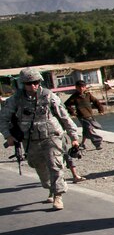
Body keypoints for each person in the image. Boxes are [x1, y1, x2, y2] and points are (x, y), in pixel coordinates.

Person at [1, 68, 81, 210]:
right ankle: (50, 187)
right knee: (37, 165)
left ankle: (58, 195)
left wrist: (73, 136)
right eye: (29, 83)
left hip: (52, 136)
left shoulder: (48, 96)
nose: (33, 86)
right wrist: (8, 135)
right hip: (30, 140)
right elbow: (3, 118)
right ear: (22, 84)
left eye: (36, 82)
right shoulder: (15, 100)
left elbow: (64, 116)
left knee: (55, 165)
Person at [64, 78, 106, 150]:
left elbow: (96, 102)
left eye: (83, 87)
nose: (81, 88)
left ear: (85, 87)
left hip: (90, 115)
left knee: (86, 130)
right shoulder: (74, 96)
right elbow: (66, 104)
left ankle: (82, 144)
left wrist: (100, 109)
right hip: (82, 116)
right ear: (76, 87)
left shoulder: (88, 95)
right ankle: (98, 143)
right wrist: (72, 111)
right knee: (90, 130)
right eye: (79, 87)